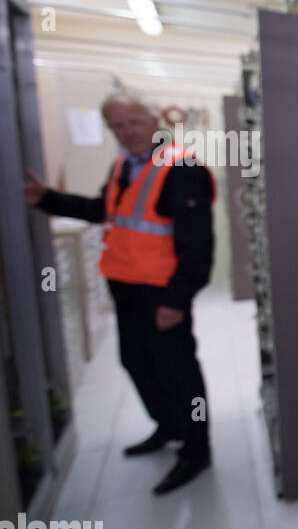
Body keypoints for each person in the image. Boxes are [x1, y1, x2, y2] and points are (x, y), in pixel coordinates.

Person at [23, 95, 216, 495]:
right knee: (136, 361)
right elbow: (105, 211)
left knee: (178, 371)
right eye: (118, 126)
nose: (128, 132)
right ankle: (169, 426)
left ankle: (197, 450)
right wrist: (47, 199)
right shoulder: (122, 168)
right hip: (126, 288)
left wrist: (177, 300)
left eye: (134, 122)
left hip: (162, 292)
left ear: (153, 119)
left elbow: (198, 245)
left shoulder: (181, 168)